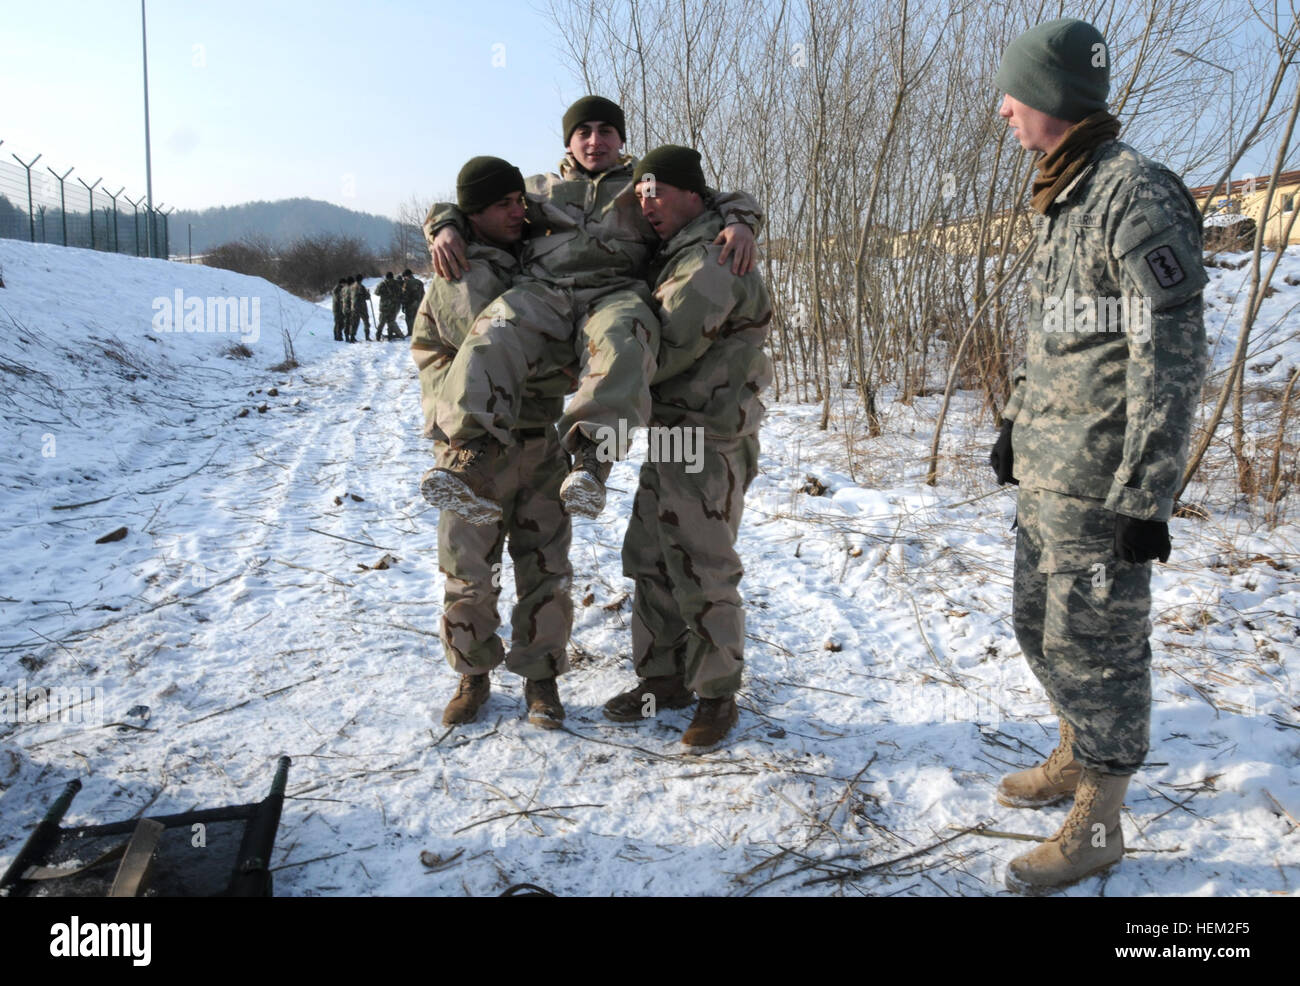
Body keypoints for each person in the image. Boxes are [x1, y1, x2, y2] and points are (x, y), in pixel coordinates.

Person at [988, 18, 1207, 893]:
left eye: (1014, 94)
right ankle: (1077, 753)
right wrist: (1014, 418)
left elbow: (1173, 355)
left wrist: (1145, 497)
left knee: (1099, 650)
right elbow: (1062, 338)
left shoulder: (1135, 194)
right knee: (1037, 628)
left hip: (1102, 484)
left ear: (1051, 99)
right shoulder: (1065, 193)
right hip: (1050, 468)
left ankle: (1101, 823)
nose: (1003, 108)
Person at [419, 96, 760, 525]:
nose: (595, 140)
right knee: (494, 331)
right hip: (542, 291)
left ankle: (591, 461)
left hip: (615, 292)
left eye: (606, 131)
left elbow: (709, 197)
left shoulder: (643, 186)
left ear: (621, 139)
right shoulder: (535, 190)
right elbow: (472, 203)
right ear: (568, 142)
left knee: (624, 341)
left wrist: (741, 222)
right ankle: (470, 453)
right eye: (583, 132)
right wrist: (444, 226)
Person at [600, 146, 772, 747]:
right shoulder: (681, 247)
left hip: (706, 436)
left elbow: (666, 350)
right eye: (640, 193)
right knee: (651, 557)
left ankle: (716, 696)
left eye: (659, 191)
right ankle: (663, 679)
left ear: (693, 195)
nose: (647, 203)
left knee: (702, 566)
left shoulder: (710, 261)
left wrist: (601, 356)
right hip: (675, 433)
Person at [410, 156, 574, 729]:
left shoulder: (530, 250)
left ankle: (541, 679)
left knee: (546, 566)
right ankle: (473, 673)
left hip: (537, 442)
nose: (517, 210)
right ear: (474, 213)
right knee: (467, 568)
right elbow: (516, 352)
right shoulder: (460, 270)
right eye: (502, 204)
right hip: (471, 454)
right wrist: (445, 224)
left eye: (518, 201)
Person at [374, 271, 402, 341]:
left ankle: (378, 335)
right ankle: (390, 336)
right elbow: (400, 293)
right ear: (392, 276)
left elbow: (376, 293)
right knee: (391, 321)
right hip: (393, 306)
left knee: (382, 322)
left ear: (386, 277)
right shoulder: (396, 284)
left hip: (384, 306)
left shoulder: (382, 284)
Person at [350, 274, 372, 341]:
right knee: (366, 321)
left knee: (355, 322)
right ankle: (367, 337)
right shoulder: (361, 287)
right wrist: (368, 293)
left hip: (354, 307)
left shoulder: (351, 287)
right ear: (361, 279)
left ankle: (352, 337)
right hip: (362, 307)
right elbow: (367, 297)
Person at [401, 269, 422, 338]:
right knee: (417, 318)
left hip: (410, 304)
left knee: (409, 319)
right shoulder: (419, 282)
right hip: (418, 303)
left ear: (406, 276)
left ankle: (410, 332)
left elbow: (404, 295)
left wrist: (403, 305)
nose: (404, 278)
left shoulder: (406, 283)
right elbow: (423, 293)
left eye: (404, 277)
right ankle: (418, 331)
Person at [342, 276, 357, 343]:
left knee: (346, 322)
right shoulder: (352, 289)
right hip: (350, 308)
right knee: (352, 323)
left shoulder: (343, 289)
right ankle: (352, 337)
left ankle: (347, 337)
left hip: (344, 307)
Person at [331, 277, 346, 341]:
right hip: (337, 309)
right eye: (344, 283)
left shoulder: (342, 288)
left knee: (342, 323)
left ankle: (338, 335)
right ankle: (337, 336)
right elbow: (338, 299)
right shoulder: (336, 289)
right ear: (342, 283)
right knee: (338, 322)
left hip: (341, 309)